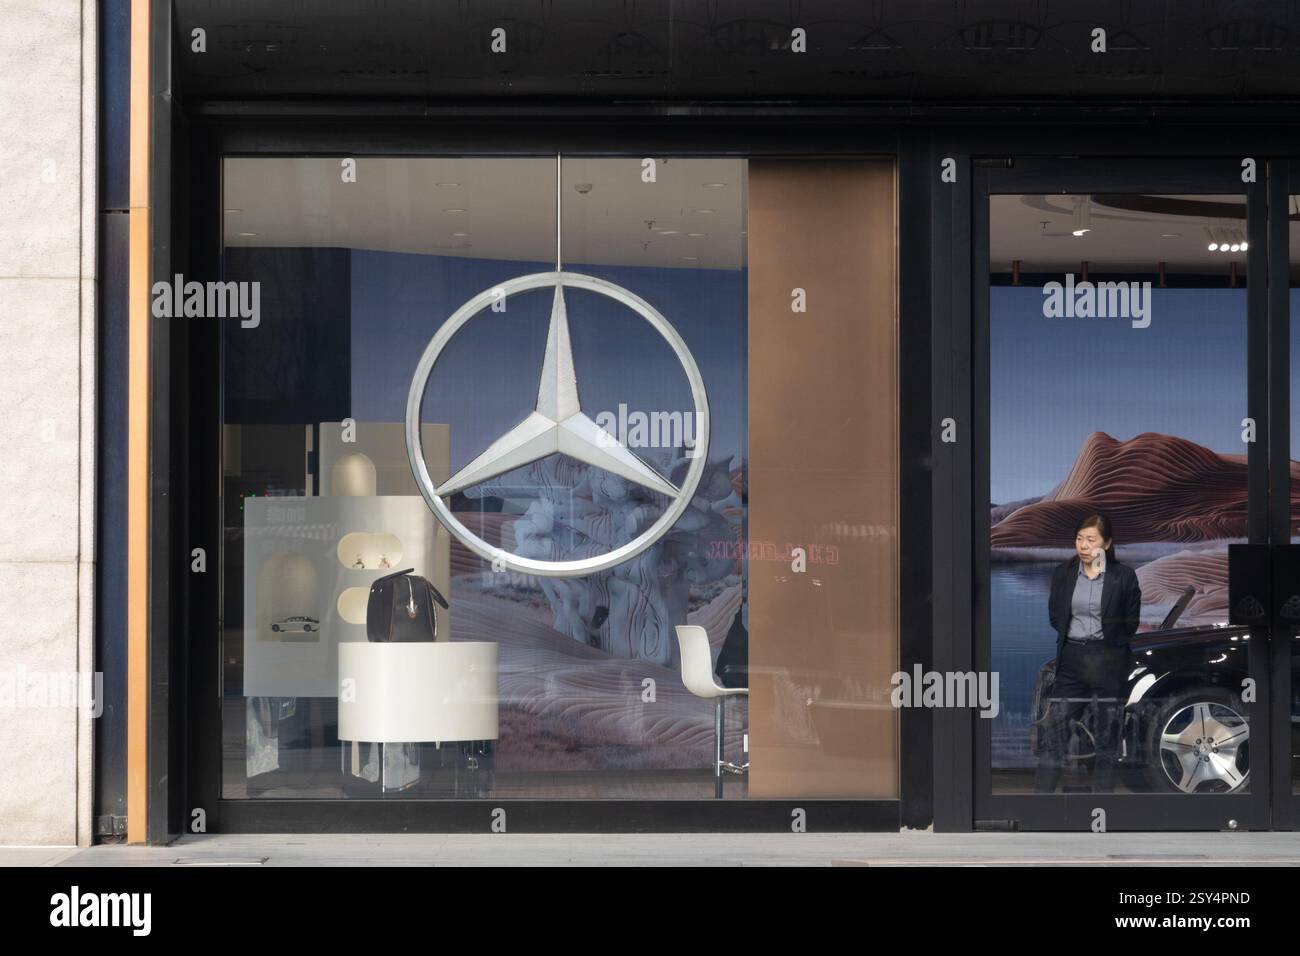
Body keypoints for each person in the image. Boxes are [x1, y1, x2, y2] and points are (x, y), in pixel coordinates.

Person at [1033, 513, 1141, 794]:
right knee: (1055, 733)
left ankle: (1103, 802)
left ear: (1106, 544)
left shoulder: (1124, 577)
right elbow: (1056, 617)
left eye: (1090, 540)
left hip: (1108, 660)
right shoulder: (1063, 573)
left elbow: (1130, 623)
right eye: (1079, 539)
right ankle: (1039, 805)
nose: (1083, 545)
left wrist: (1109, 645)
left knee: (1107, 738)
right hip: (1072, 660)